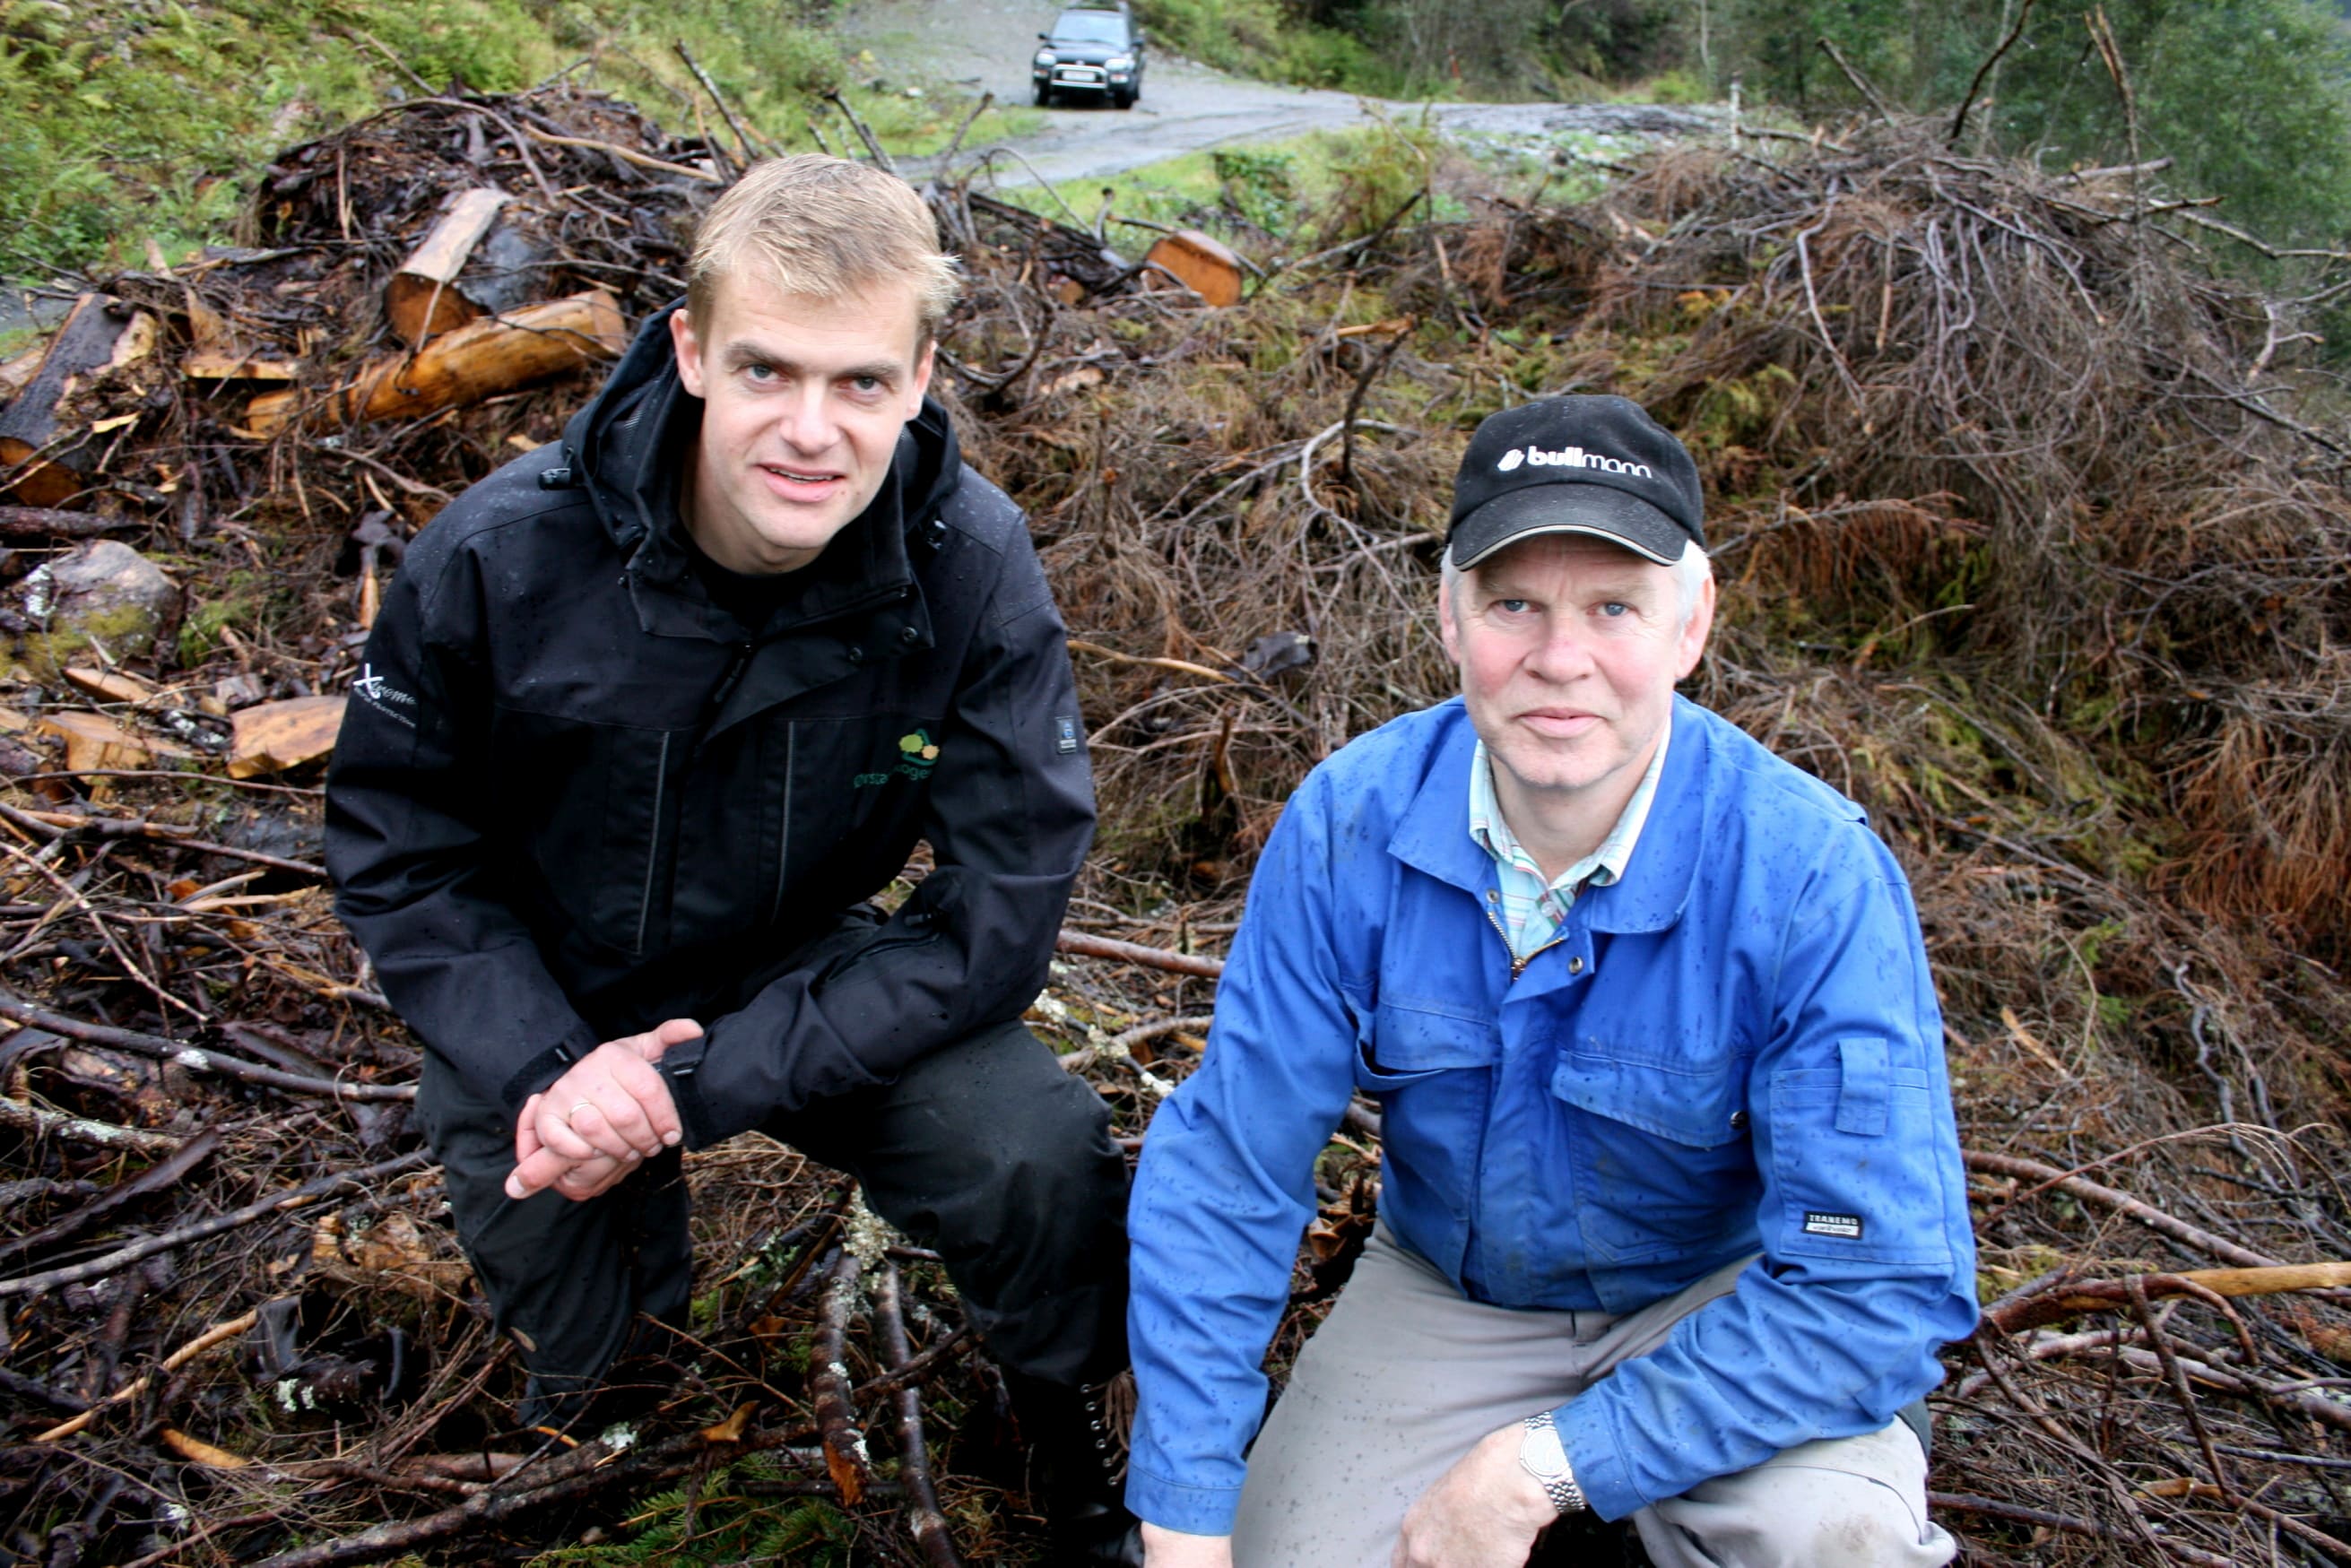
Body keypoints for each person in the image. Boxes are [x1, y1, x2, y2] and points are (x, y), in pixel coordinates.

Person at [326, 154, 1141, 1564]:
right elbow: (399, 847)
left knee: (1031, 1155)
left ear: (921, 377)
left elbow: (997, 917)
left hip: (796, 958)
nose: (811, 432)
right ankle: (625, 1447)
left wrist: (694, 1080)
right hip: (543, 978)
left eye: (860, 384)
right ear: (691, 349)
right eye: (768, 371)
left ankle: (1070, 1444)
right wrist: (555, 1072)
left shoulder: (963, 559)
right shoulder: (505, 552)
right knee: (594, 1378)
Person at [1122, 395, 1978, 1568]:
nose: (1557, 659)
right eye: (1512, 602)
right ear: (1447, 614)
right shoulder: (1348, 824)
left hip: (1720, 1303)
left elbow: (1877, 1280)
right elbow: (1228, 1168)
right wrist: (1181, 1514)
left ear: (1690, 622)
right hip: (1448, 1294)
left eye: (1613, 606)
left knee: (1833, 1539)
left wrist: (1545, 1464)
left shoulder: (1806, 873)